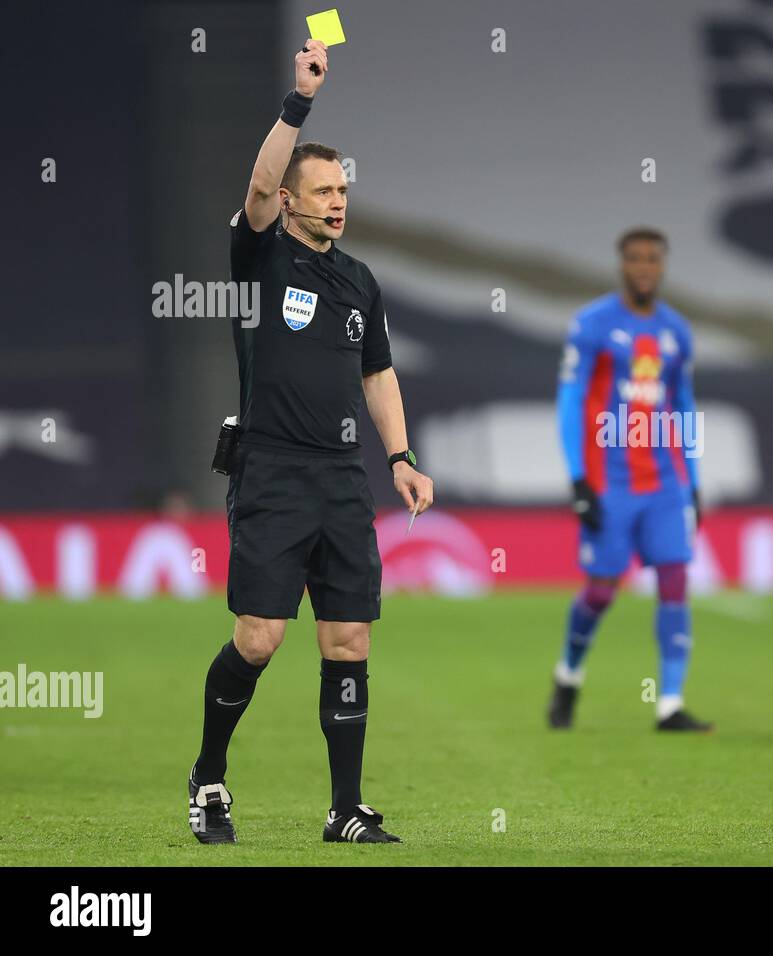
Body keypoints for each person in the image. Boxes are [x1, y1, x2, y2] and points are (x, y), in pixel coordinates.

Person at [187, 39, 434, 846]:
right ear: (289, 202)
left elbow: (380, 377)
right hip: (270, 471)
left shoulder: (360, 280)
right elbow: (259, 181)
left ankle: (345, 810)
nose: (338, 202)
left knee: (349, 639)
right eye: (323, 190)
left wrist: (400, 456)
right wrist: (300, 101)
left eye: (344, 190)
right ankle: (210, 779)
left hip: (339, 477)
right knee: (258, 640)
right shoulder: (261, 255)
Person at [547, 228, 712, 732]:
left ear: (662, 266)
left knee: (675, 582)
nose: (644, 267)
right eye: (635, 258)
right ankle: (568, 675)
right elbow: (572, 402)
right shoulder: (592, 325)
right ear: (622, 265)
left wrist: (695, 480)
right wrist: (578, 480)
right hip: (609, 482)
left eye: (652, 259)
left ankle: (670, 704)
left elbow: (681, 402)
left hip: (664, 482)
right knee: (600, 592)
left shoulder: (675, 331)